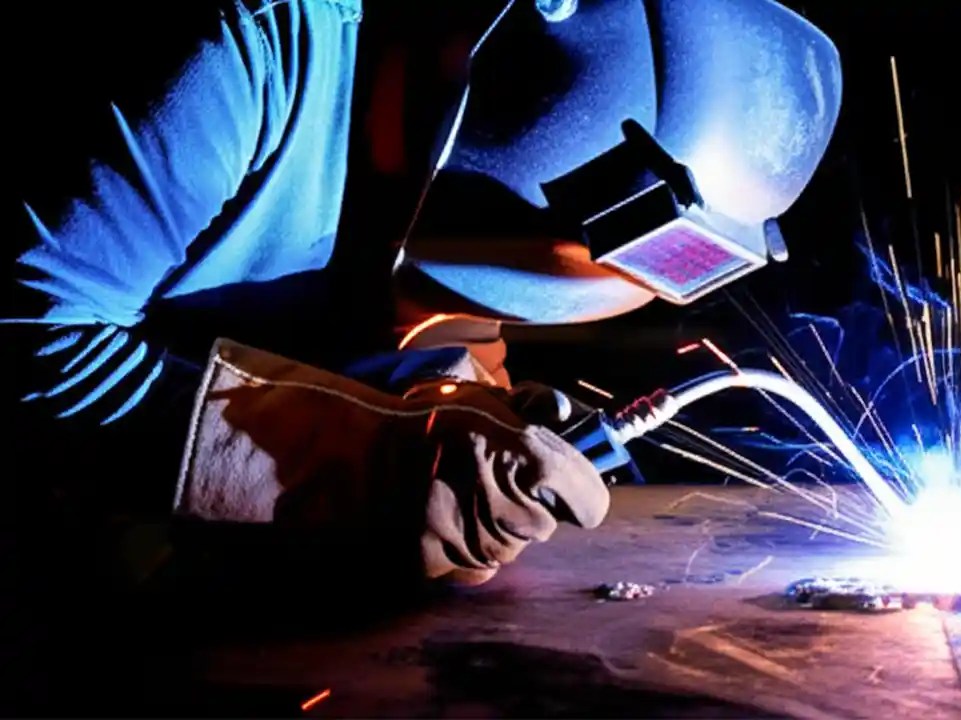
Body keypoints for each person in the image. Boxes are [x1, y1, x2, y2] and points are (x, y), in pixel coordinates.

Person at [3, 0, 838, 603]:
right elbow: (29, 332)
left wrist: (460, 405)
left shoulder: (469, 172)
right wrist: (361, 466)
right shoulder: (248, 56)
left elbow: (434, 309)